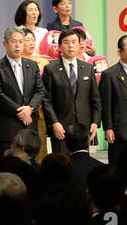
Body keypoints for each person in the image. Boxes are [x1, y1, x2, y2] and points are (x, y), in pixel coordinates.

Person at [40, 28, 101, 156]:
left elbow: (95, 98)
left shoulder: (88, 68)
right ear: (60, 47)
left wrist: (95, 122)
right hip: (61, 128)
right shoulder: (51, 69)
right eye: (66, 42)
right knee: (62, 166)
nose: (71, 46)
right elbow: (46, 101)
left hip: (83, 128)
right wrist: (54, 123)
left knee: (82, 165)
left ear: (80, 45)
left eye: (74, 42)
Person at [0, 26, 44, 147]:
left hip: (29, 125)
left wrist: (30, 108)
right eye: (13, 41)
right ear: (5, 43)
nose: (18, 45)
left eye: (21, 41)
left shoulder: (32, 65)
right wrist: (20, 111)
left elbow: (39, 91)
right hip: (7, 127)